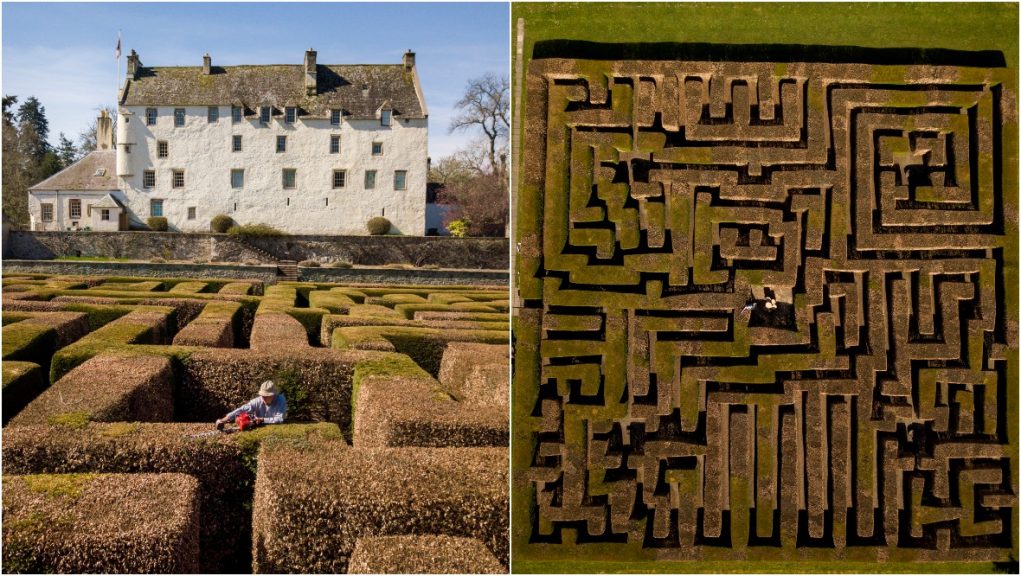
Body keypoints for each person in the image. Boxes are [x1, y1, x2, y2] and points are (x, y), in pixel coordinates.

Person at [216, 380, 287, 429]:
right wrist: (224, 420)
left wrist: (263, 420)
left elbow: (279, 419)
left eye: (266, 396)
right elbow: (242, 409)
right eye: (262, 395)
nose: (263, 397)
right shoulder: (258, 401)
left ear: (273, 395)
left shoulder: (281, 400)